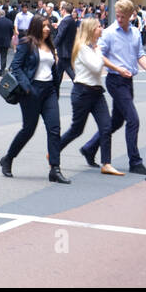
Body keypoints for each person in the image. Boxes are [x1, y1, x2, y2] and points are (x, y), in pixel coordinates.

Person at [80, 0, 146, 175]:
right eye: (117, 15)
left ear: (131, 15)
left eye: (123, 16)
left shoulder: (134, 33)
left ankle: (89, 148)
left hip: (128, 81)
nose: (119, 19)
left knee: (117, 121)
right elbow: (100, 55)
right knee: (133, 119)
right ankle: (135, 161)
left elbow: (140, 55)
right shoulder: (109, 33)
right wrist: (118, 68)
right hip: (115, 80)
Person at [0, 14, 69, 183]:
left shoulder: (50, 45)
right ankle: (8, 158)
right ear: (37, 27)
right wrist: (27, 88)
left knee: (54, 129)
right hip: (31, 91)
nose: (48, 28)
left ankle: (55, 168)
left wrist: (55, 87)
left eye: (48, 26)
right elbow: (16, 67)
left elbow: (54, 70)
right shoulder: (27, 43)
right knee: (28, 130)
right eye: (44, 25)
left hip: (49, 91)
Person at [59, 17, 125, 176]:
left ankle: (106, 163)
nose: (101, 29)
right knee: (77, 129)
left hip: (96, 92)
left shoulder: (94, 48)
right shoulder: (83, 48)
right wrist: (98, 50)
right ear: (91, 30)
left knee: (106, 127)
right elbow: (96, 67)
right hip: (82, 92)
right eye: (98, 27)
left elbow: (101, 62)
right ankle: (54, 150)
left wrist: (119, 69)